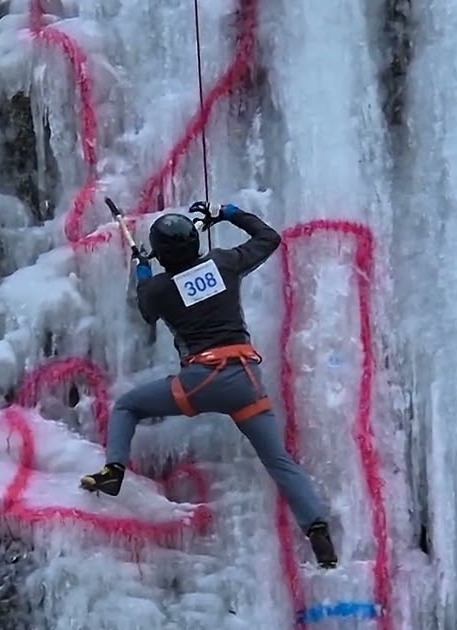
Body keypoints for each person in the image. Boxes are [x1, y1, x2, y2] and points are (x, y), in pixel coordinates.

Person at [79, 201, 338, 568]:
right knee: (279, 461)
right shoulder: (224, 263)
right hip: (246, 378)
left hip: (201, 380)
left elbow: (145, 311)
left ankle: (114, 470)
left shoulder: (159, 289)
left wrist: (142, 270)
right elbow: (269, 238)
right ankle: (317, 529)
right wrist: (226, 212)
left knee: (128, 406)